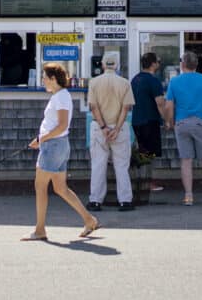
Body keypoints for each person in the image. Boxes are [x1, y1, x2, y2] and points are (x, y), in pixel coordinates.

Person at [21, 63, 100, 241]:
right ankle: (89, 220)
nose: (43, 81)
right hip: (57, 144)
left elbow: (62, 125)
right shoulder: (60, 96)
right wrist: (41, 138)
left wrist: (43, 139)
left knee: (40, 187)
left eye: (45, 78)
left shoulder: (61, 97)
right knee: (60, 188)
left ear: (53, 79)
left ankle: (40, 229)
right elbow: (55, 125)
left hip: (53, 146)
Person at [165, 51, 202, 205]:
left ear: (182, 65)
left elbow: (169, 105)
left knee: (186, 160)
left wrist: (169, 121)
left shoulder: (174, 81)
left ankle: (188, 196)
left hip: (182, 122)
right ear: (196, 65)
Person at [86, 55, 136, 212]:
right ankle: (125, 201)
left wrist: (103, 128)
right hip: (119, 128)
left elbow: (93, 107)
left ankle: (95, 200)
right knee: (121, 166)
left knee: (98, 165)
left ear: (102, 65)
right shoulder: (125, 83)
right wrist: (116, 128)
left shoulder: (94, 82)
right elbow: (126, 108)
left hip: (99, 128)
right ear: (117, 65)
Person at [131, 52, 171, 161]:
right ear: (153, 64)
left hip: (136, 121)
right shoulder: (153, 80)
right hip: (149, 122)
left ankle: (142, 176)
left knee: (144, 153)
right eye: (158, 62)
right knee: (151, 154)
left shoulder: (135, 79)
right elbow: (160, 103)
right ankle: (147, 177)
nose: (159, 64)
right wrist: (167, 120)